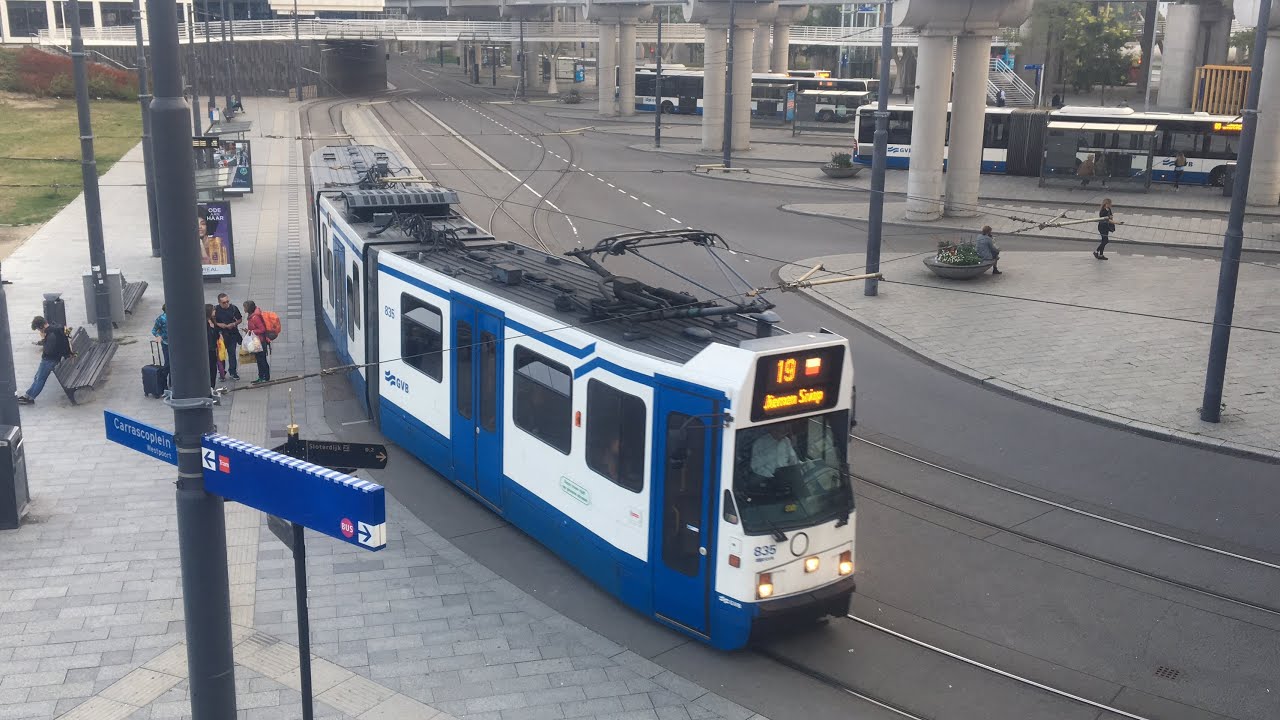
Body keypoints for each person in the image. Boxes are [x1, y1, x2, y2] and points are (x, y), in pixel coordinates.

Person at [17, 316, 73, 405]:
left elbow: (48, 350)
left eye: (39, 330)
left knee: (40, 379)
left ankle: (31, 398)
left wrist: (43, 339)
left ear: (41, 326)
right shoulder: (54, 329)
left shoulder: (51, 334)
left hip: (49, 360)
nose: (39, 332)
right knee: (37, 377)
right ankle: (27, 395)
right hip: (51, 359)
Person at [213, 293, 243, 381]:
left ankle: (233, 372)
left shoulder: (233, 308)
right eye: (224, 302)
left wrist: (234, 324)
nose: (226, 304)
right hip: (221, 335)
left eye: (227, 301)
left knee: (232, 354)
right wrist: (219, 324)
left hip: (232, 334)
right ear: (219, 302)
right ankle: (222, 373)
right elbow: (212, 320)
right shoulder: (216, 310)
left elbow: (240, 319)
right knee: (221, 355)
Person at [244, 300, 271, 384]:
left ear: (248, 308)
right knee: (260, 360)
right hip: (257, 340)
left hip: (260, 342)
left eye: (245, 307)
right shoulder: (252, 316)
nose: (244, 308)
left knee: (261, 360)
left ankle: (265, 377)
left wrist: (251, 331)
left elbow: (262, 329)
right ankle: (262, 376)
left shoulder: (255, 317)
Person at [151, 304, 170, 388]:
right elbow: (154, 330)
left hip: (174, 344)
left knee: (173, 364)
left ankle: (171, 383)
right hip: (166, 343)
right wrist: (158, 336)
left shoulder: (176, 317)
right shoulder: (161, 319)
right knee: (168, 363)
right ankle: (163, 382)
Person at [206, 303, 220, 389]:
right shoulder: (204, 323)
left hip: (213, 347)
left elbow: (216, 333)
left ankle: (212, 386)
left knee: (213, 368)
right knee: (210, 368)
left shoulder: (212, 321)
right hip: (207, 349)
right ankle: (209, 386)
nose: (215, 311)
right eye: (213, 310)